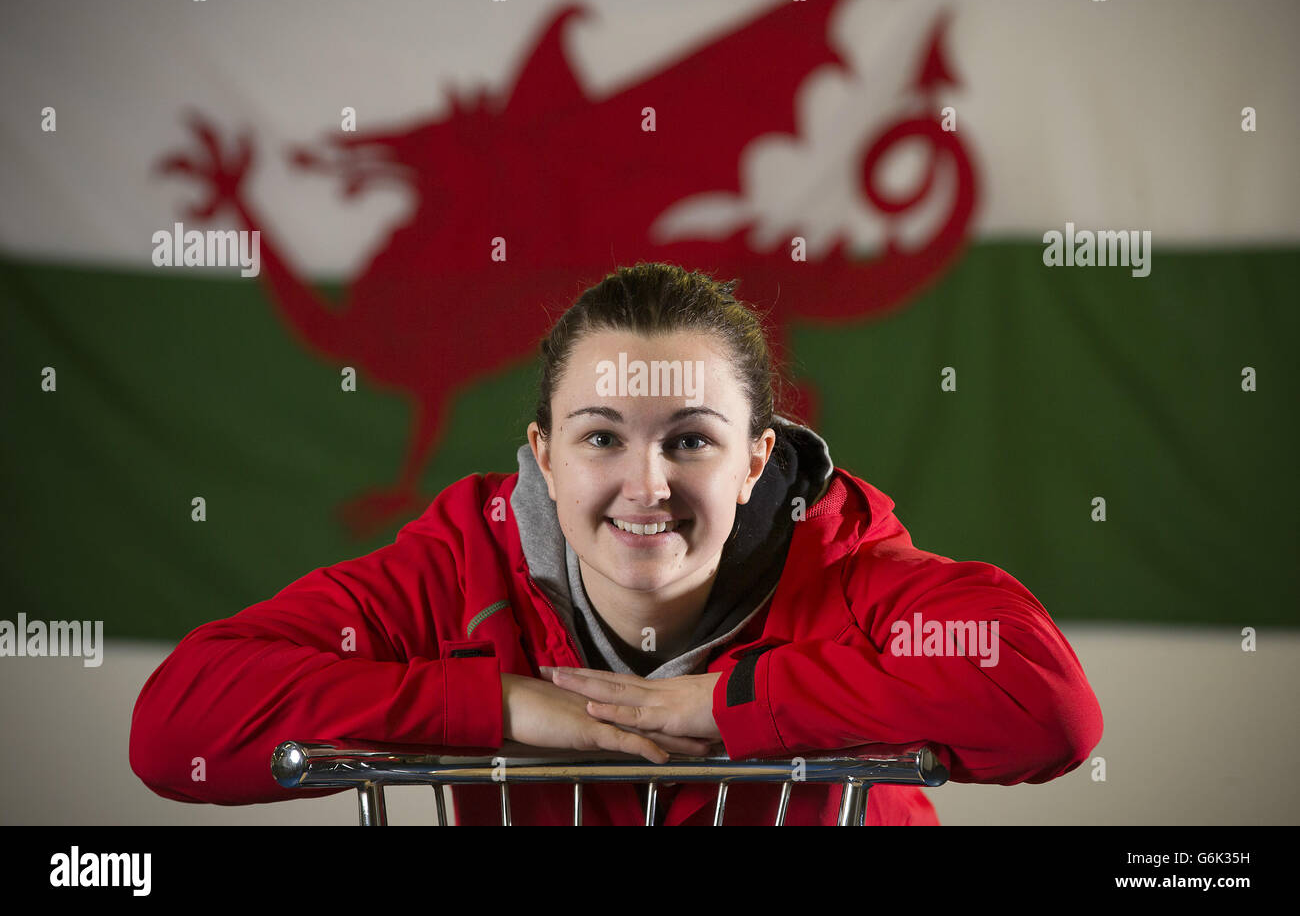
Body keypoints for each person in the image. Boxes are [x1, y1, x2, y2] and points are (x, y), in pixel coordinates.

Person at [129, 262, 1103, 824]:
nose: (647, 485)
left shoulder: (853, 572)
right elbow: (177, 728)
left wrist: (733, 705)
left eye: (690, 440)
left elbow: (1045, 707)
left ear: (757, 460)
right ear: (544, 456)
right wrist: (497, 702)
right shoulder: (458, 570)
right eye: (602, 436)